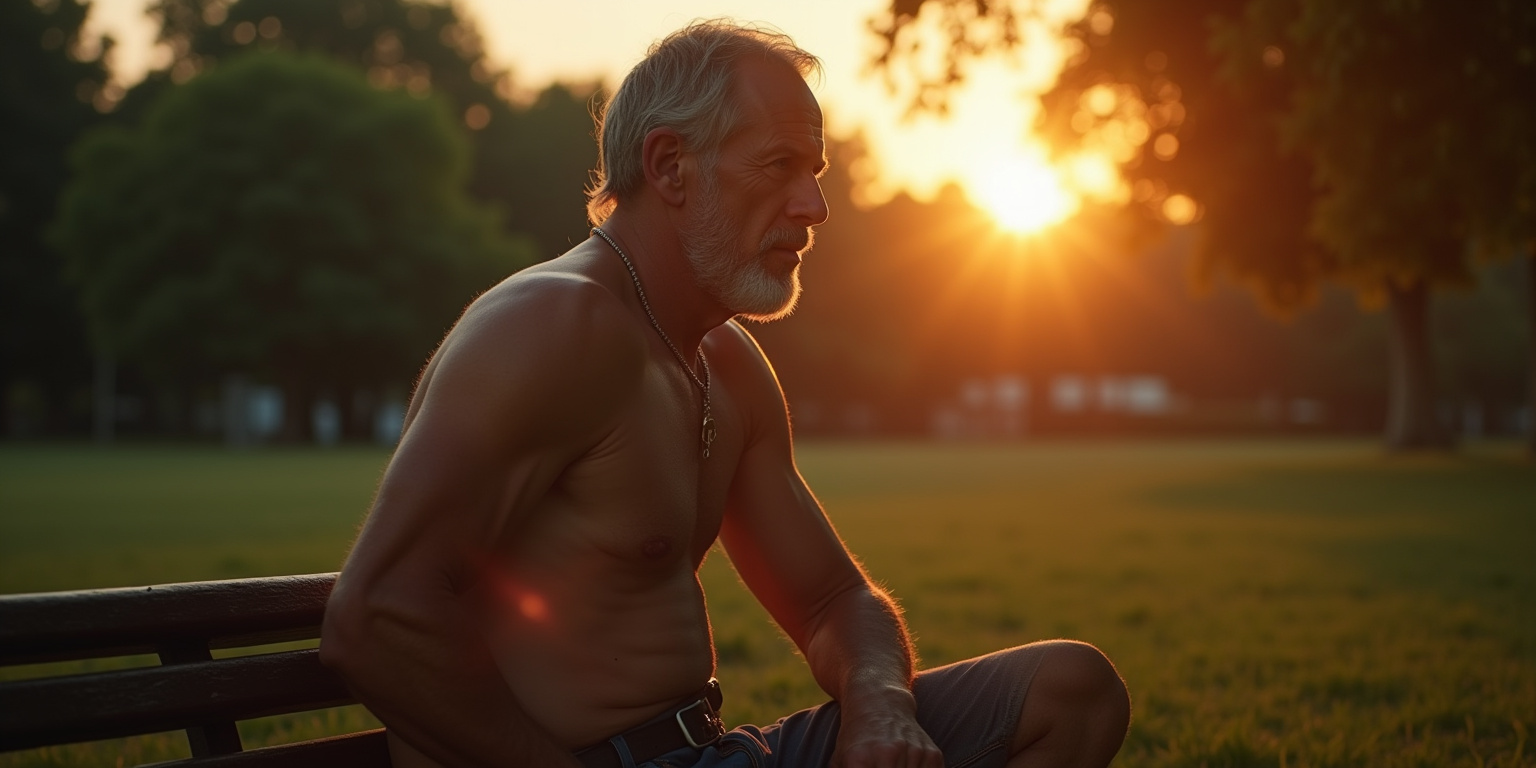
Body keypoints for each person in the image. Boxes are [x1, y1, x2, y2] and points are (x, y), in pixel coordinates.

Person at [321, 19, 1130, 768]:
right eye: (779, 166)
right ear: (671, 166)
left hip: (714, 753)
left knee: (1072, 693)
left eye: (813, 173)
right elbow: (377, 617)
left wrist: (882, 707)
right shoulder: (554, 326)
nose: (814, 207)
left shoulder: (725, 361)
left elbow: (830, 599)